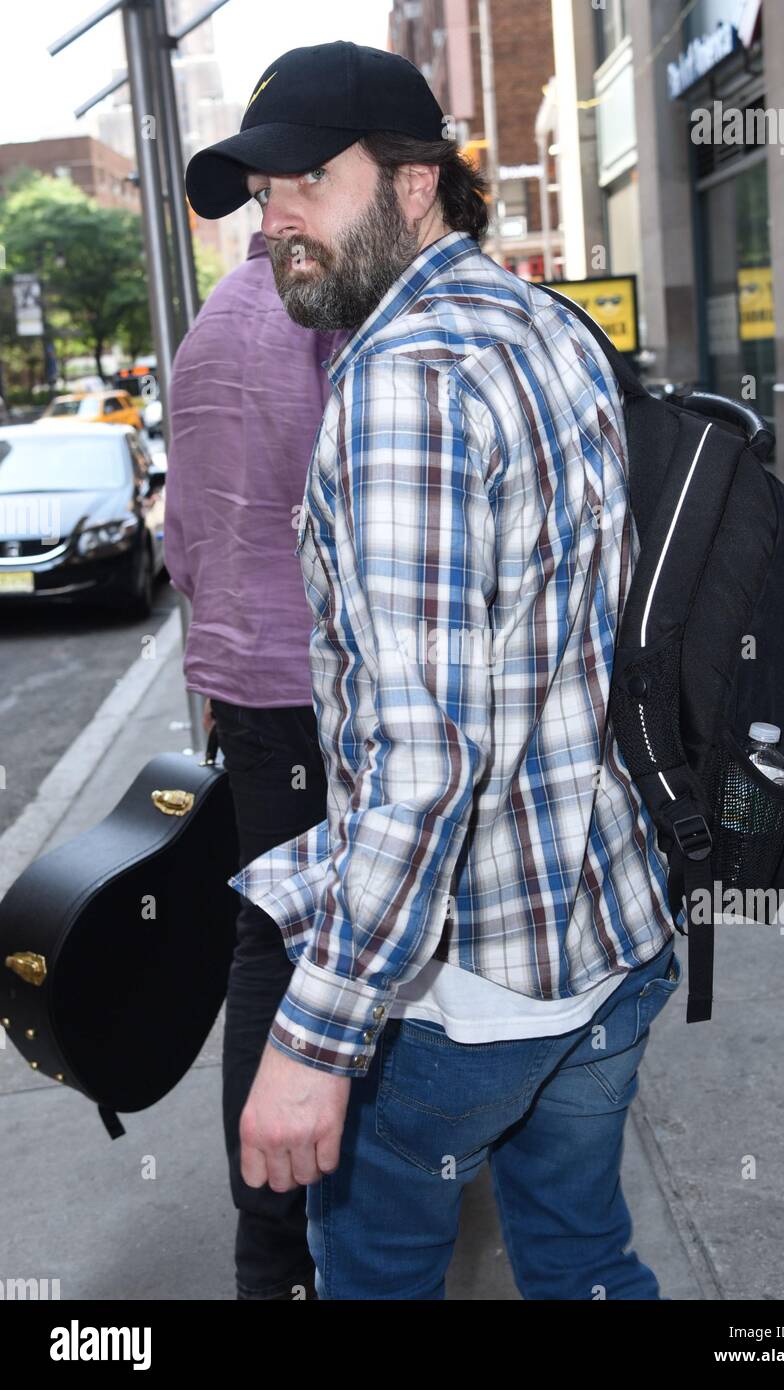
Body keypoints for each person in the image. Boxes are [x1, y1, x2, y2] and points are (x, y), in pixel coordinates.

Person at [185, 40, 683, 1301]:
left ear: (414, 182)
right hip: (605, 932)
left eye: (307, 178)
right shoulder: (538, 320)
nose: (274, 215)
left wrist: (314, 1039)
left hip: (467, 989)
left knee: (376, 1273)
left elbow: (425, 761)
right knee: (579, 1258)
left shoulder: (401, 382)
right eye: (260, 189)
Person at [163, 229, 346, 1300]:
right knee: (322, 937)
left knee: (267, 932)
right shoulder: (325, 314)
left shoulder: (206, 326)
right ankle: (302, 1227)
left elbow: (182, 537)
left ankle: (269, 1254)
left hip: (241, 680)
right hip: (321, 674)